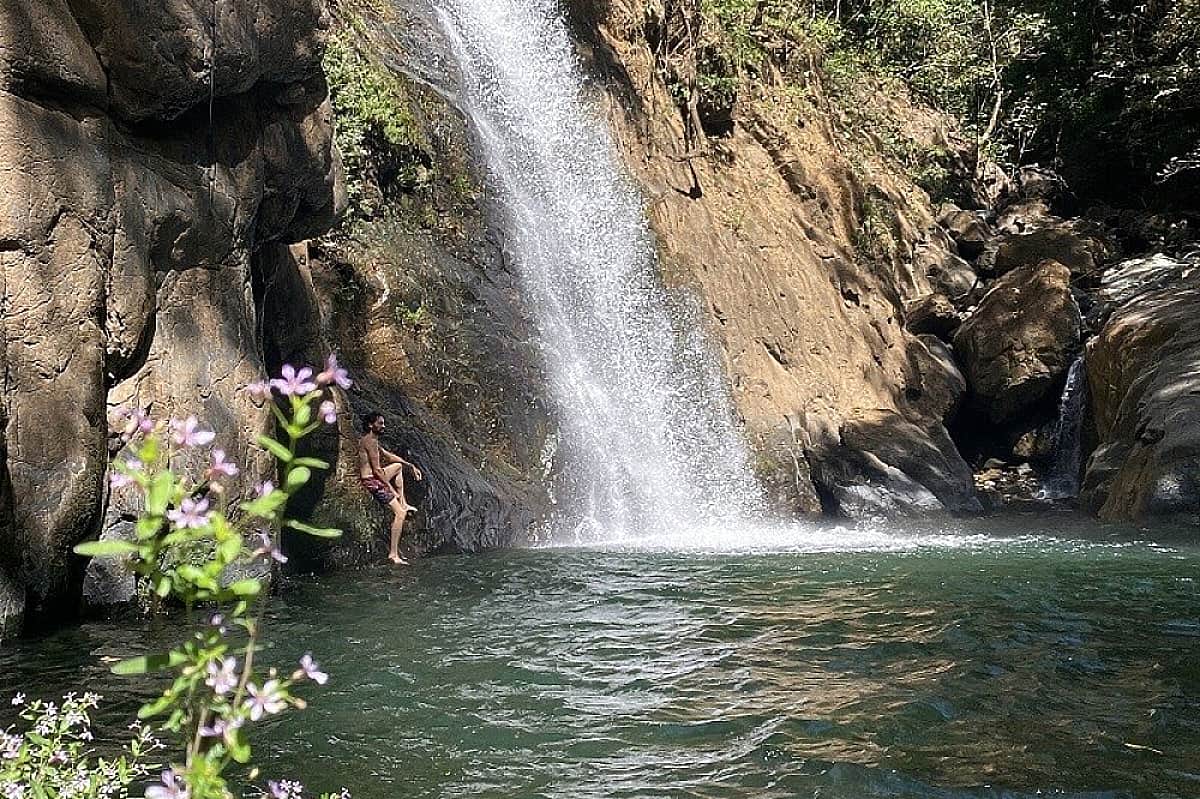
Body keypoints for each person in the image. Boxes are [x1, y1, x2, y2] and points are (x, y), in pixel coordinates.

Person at [357, 411, 423, 565]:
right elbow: (377, 471)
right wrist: (391, 490)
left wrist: (410, 465)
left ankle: (404, 502)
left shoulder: (373, 441)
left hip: (375, 477)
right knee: (400, 514)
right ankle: (393, 554)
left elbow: (389, 456)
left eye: (383, 423)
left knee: (398, 466)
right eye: (380, 423)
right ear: (370, 425)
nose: (383, 426)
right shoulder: (369, 441)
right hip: (371, 480)